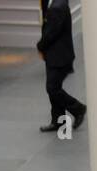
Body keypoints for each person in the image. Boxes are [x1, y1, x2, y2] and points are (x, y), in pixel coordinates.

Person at [36, 0, 86, 133]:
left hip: (59, 56)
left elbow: (51, 33)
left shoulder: (57, 7)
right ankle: (58, 120)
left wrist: (40, 46)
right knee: (54, 87)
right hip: (55, 54)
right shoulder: (55, 2)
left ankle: (78, 108)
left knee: (52, 88)